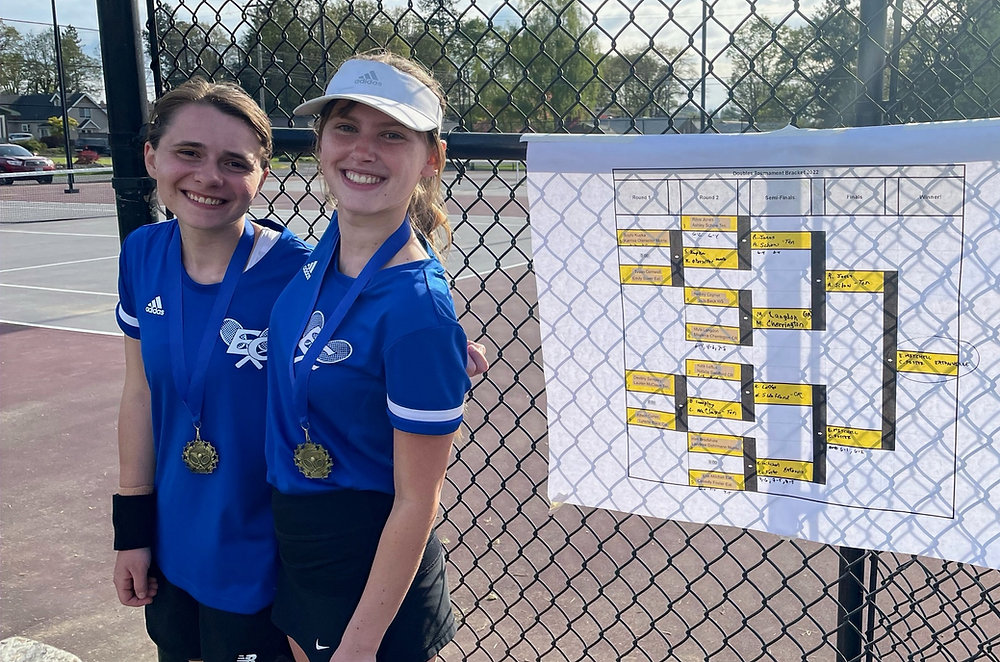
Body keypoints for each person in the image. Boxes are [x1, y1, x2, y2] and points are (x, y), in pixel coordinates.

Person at [112, 77, 488, 662]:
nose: (209, 176)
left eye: (234, 162)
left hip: (293, 554)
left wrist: (436, 340)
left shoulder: (293, 267)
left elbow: (394, 301)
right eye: (188, 152)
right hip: (213, 550)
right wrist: (131, 528)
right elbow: (140, 392)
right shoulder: (312, 263)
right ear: (150, 156)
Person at [264, 51, 471, 662]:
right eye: (346, 127)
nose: (363, 150)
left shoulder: (417, 312)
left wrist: (359, 644)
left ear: (429, 157)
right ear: (320, 141)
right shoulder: (318, 250)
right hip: (299, 535)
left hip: (368, 551)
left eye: (391, 135)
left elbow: (418, 500)